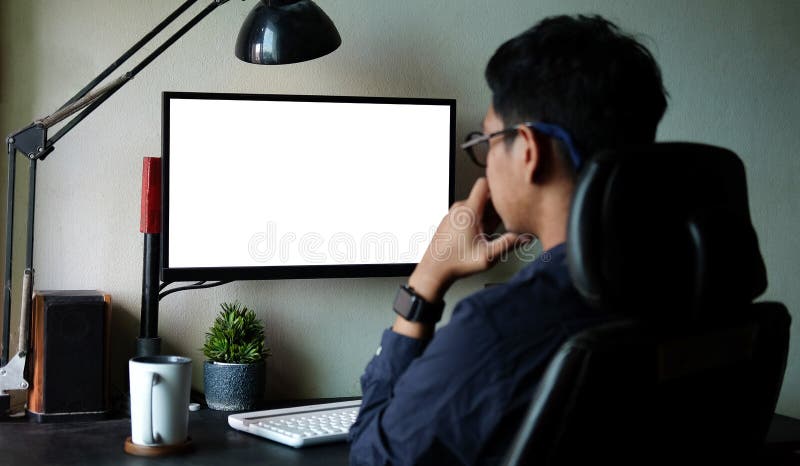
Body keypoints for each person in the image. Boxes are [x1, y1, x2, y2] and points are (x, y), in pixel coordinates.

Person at [349, 14, 668, 466]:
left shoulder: (498, 329)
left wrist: (426, 280)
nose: (486, 161)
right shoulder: (677, 282)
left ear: (529, 152)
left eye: (488, 141)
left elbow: (373, 458)